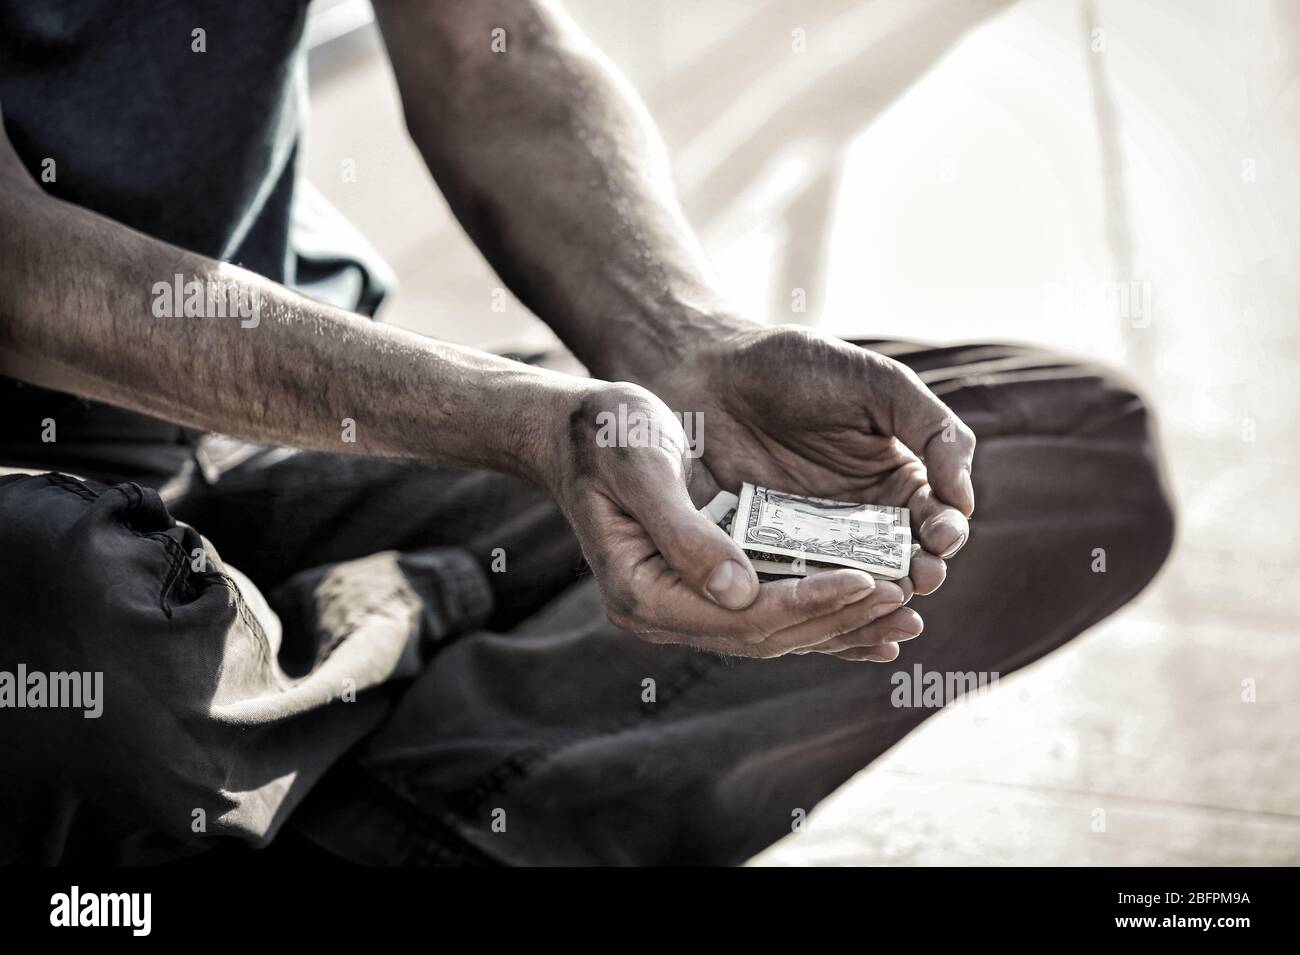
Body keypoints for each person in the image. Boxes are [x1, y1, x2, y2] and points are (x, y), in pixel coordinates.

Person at [0, 0, 1174, 865]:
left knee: (1058, 448)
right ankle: (358, 670)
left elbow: (492, 51)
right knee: (79, 610)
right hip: (35, 509)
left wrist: (683, 346)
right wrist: (524, 424)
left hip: (269, 440)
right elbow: (22, 270)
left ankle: (341, 771)